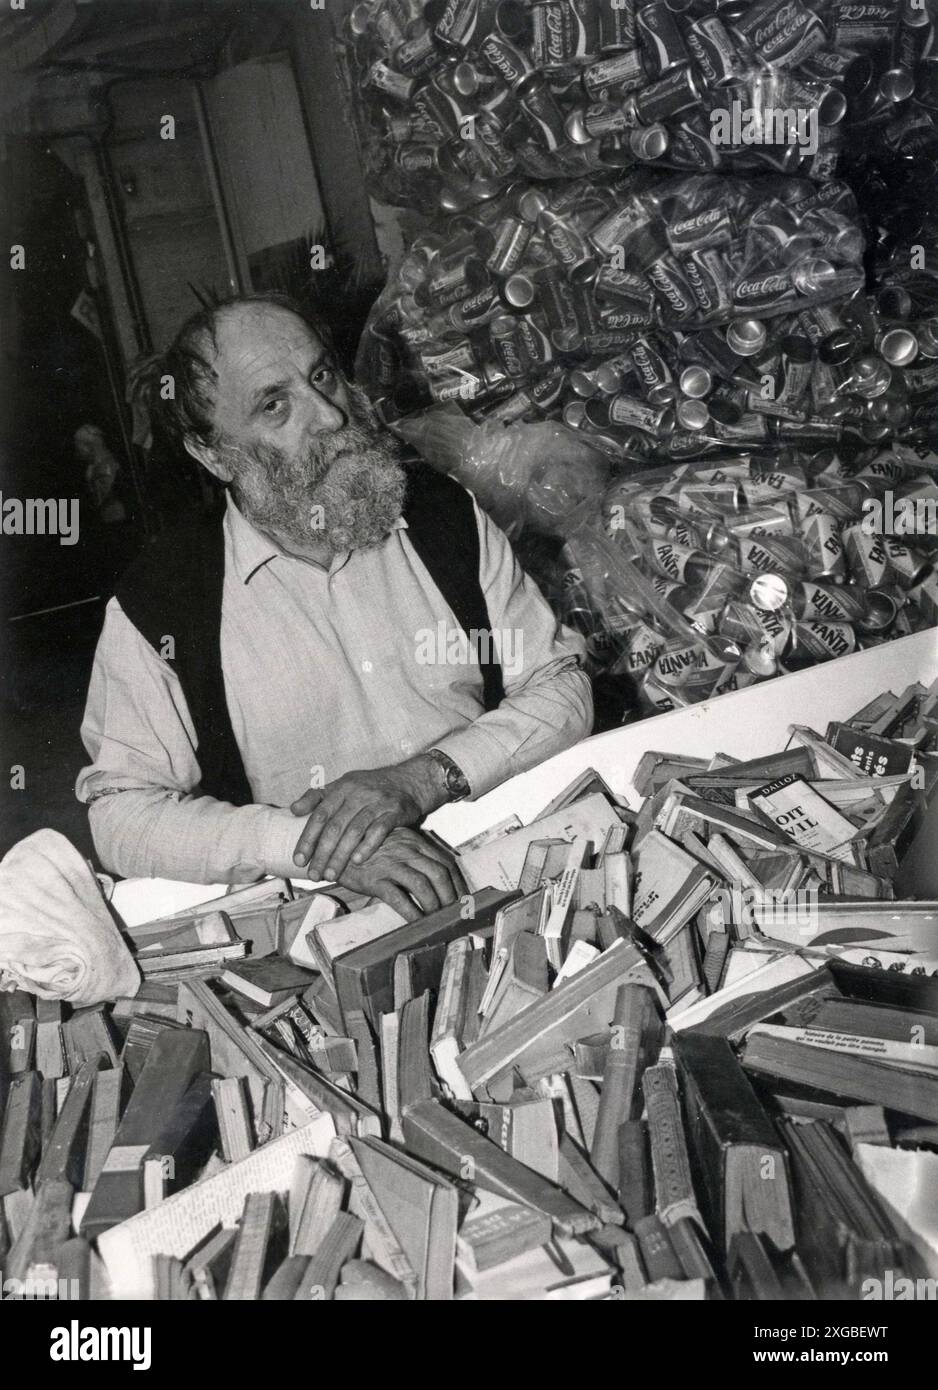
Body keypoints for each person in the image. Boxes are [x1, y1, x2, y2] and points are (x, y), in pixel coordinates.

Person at [76, 294, 592, 920]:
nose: (327, 415)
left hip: (510, 855)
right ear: (213, 455)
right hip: (324, 916)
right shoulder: (161, 602)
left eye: (321, 376)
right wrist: (315, 845)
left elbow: (560, 683)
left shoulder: (440, 514)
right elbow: (121, 815)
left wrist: (422, 778)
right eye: (275, 404)